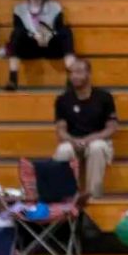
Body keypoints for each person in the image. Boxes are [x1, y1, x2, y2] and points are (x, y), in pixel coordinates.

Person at [53, 58, 118, 201]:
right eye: (71, 73)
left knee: (96, 147)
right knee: (63, 150)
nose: (74, 76)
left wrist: (89, 139)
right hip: (73, 141)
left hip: (98, 141)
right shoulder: (62, 100)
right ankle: (66, 198)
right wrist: (73, 140)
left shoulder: (104, 97)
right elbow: (61, 130)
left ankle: (93, 198)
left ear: (89, 74)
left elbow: (111, 128)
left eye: (79, 72)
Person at [5, 0, 75, 92]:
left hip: (51, 46)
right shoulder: (19, 9)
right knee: (16, 33)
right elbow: (19, 30)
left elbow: (58, 28)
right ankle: (13, 78)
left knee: (66, 31)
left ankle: (71, 78)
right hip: (30, 47)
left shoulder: (55, 7)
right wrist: (34, 35)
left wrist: (46, 34)